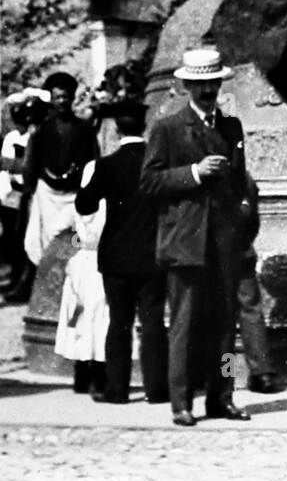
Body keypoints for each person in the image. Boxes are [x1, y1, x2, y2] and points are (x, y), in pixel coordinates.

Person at [142, 46, 251, 427]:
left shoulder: (232, 127)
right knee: (185, 325)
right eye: (200, 84)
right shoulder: (168, 127)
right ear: (187, 85)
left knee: (225, 326)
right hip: (185, 240)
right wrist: (194, 172)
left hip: (223, 241)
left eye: (213, 83)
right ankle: (181, 402)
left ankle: (223, 397)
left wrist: (241, 219)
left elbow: (239, 183)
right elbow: (149, 181)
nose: (207, 90)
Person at [75, 100, 168, 405]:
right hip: (153, 254)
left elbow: (84, 205)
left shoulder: (107, 165)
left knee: (119, 323)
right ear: (144, 126)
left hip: (116, 257)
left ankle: (117, 390)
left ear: (116, 128)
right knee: (153, 322)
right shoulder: (158, 164)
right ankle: (157, 389)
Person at [23, 72, 98, 280]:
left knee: (74, 239)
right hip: (47, 195)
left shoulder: (85, 129)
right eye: (57, 97)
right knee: (47, 240)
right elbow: (32, 162)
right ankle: (49, 285)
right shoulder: (41, 130)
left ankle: (71, 283)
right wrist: (30, 190)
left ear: (73, 98)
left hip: (74, 194)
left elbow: (94, 160)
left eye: (66, 97)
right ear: (52, 99)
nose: (62, 101)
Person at [54, 172, 108, 396]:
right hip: (101, 262)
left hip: (81, 262)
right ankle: (99, 374)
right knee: (101, 318)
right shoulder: (107, 204)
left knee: (78, 316)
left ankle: (80, 374)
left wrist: (75, 242)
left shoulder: (77, 204)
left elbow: (57, 228)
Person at [1, 89, 48, 302]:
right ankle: (18, 278)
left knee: (33, 239)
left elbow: (24, 166)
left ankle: (27, 284)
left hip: (34, 193)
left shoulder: (39, 134)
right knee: (17, 238)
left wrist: (14, 165)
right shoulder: (15, 136)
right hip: (16, 194)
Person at [238, 174, 282, 395]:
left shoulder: (205, 171)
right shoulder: (245, 179)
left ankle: (222, 373)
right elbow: (253, 221)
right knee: (251, 311)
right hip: (241, 251)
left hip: (210, 255)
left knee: (220, 318)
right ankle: (262, 373)